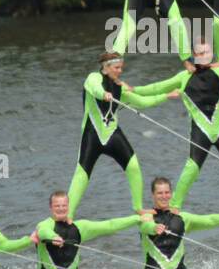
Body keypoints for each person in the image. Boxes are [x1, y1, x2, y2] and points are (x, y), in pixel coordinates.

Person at [132, 42, 219, 209]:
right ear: (194, 54)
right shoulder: (184, 77)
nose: (204, 55)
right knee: (191, 168)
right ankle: (174, 206)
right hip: (201, 130)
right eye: (200, 52)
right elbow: (156, 87)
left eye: (207, 52)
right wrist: (132, 90)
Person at [67, 52, 180, 216]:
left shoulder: (119, 87)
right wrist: (103, 94)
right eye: (116, 68)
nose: (120, 71)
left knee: (133, 166)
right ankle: (68, 214)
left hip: (113, 134)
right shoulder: (93, 78)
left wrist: (167, 95)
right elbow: (96, 88)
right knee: (82, 173)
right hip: (93, 135)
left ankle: (139, 208)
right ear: (105, 68)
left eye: (121, 67)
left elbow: (141, 102)